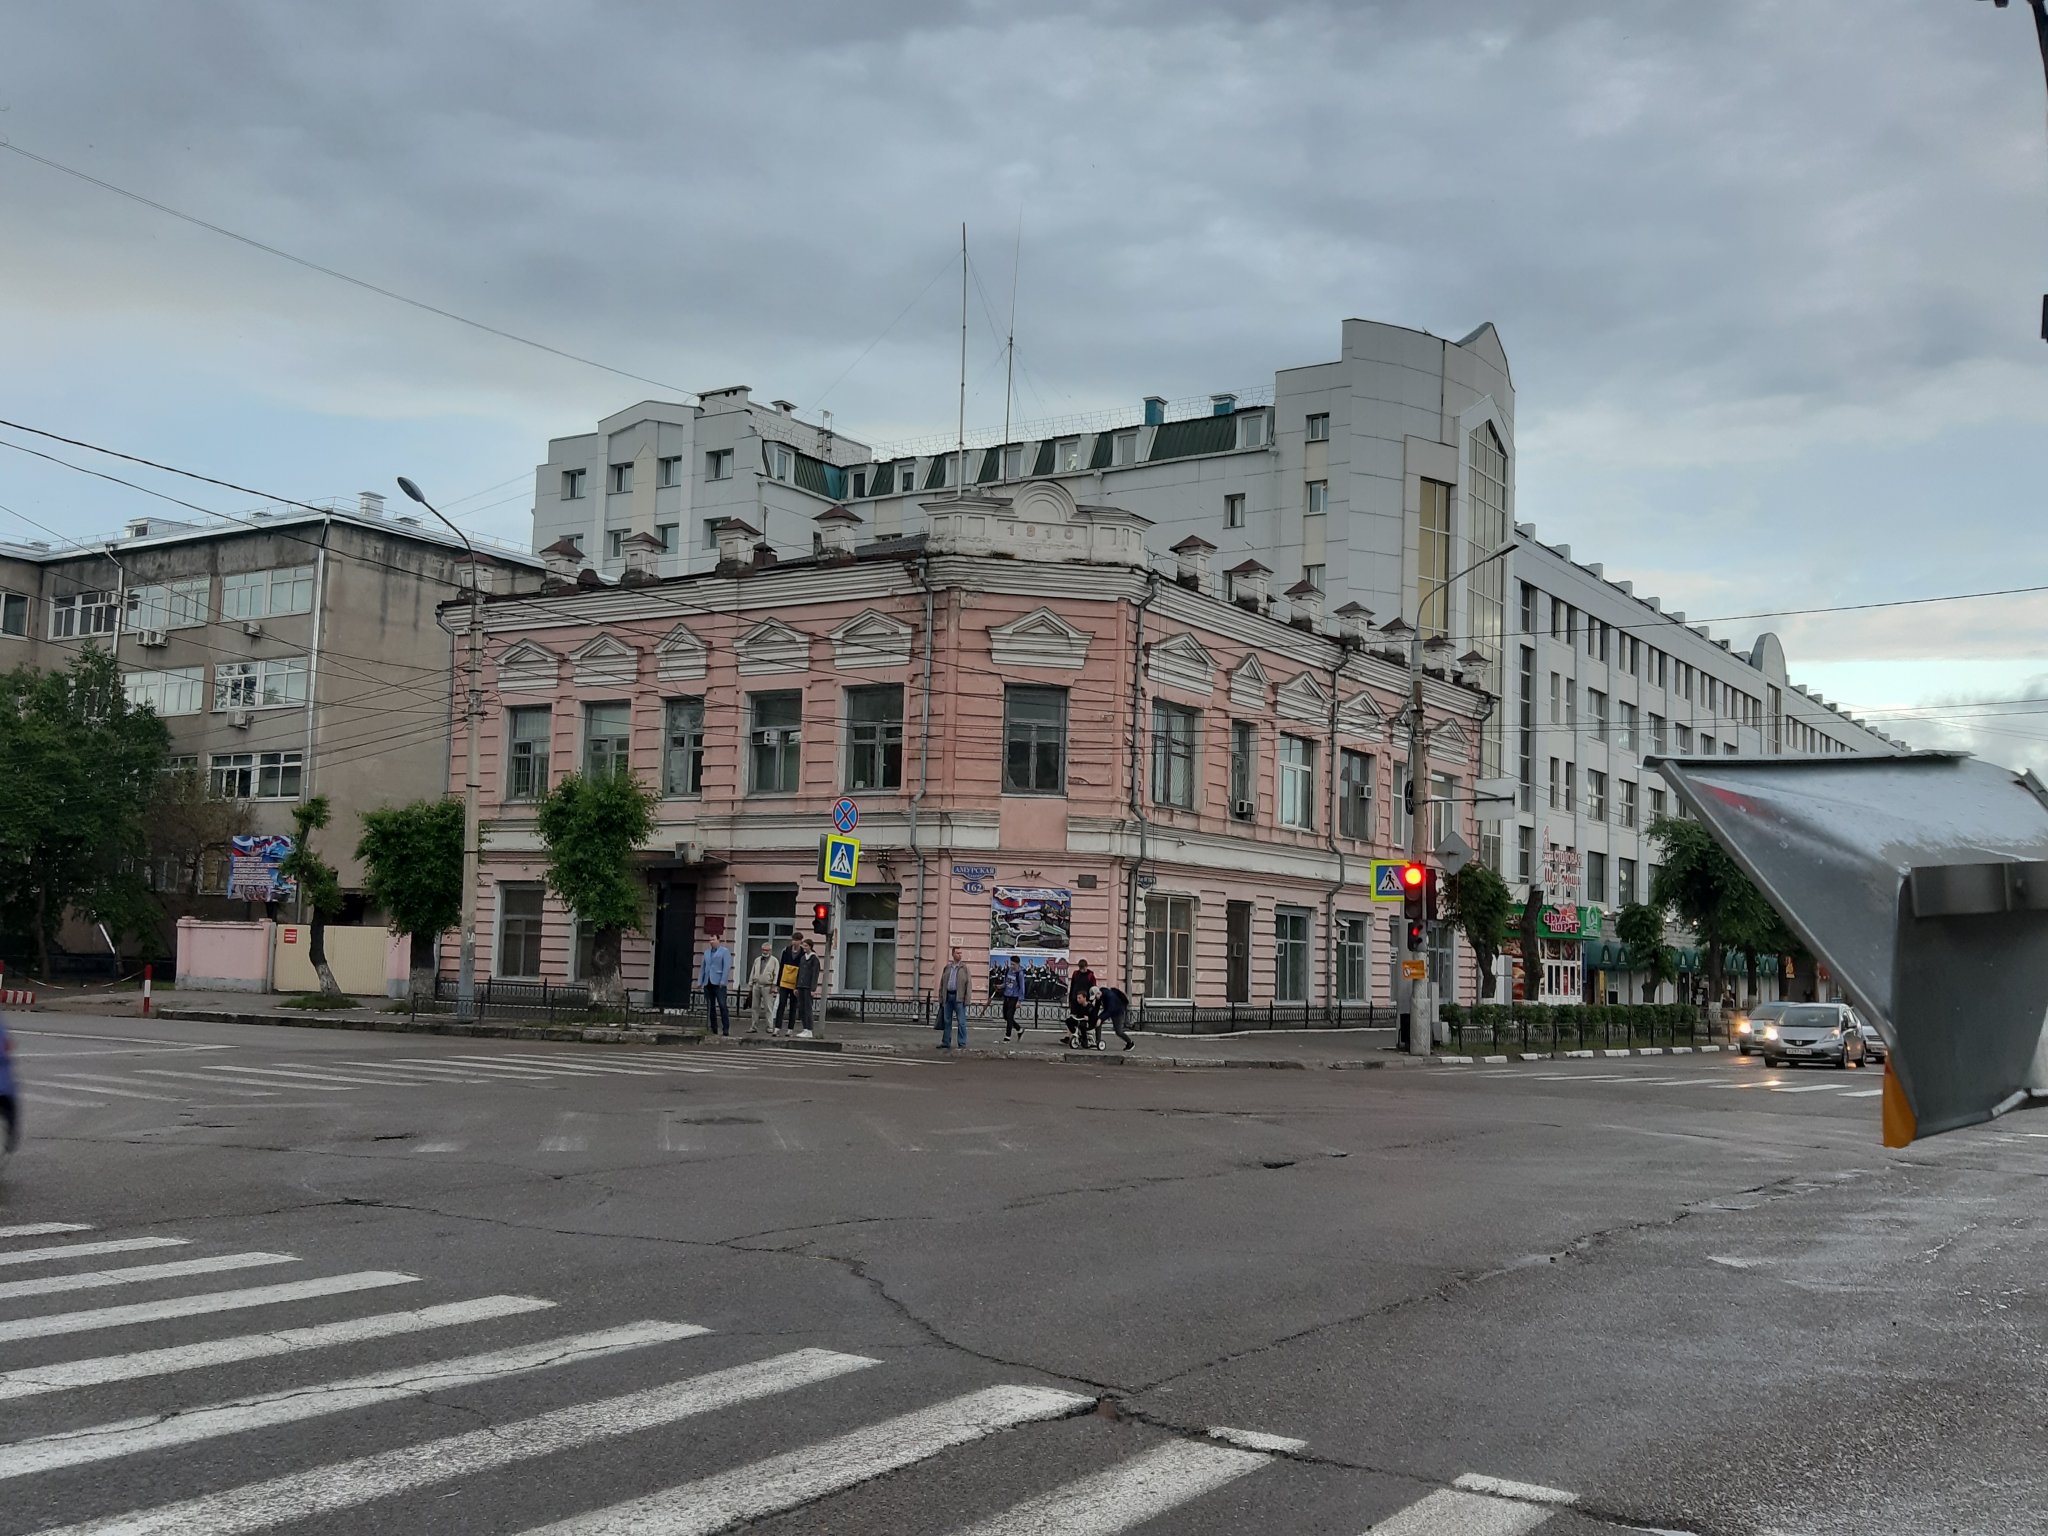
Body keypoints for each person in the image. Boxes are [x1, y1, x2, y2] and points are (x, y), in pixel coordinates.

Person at [697, 934, 733, 1036]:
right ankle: (714, 1028)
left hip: (719, 983)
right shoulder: (707, 953)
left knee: (722, 1005)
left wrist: (723, 981)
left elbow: (726, 967)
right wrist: (700, 981)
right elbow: (703, 968)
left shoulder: (724, 952)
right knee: (710, 1006)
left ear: (718, 940)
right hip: (708, 982)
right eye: (710, 940)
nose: (711, 942)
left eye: (713, 939)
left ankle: (725, 1028)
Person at [938, 946, 972, 1050]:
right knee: (947, 1020)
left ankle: (962, 1043)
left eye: (961, 953)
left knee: (961, 1022)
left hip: (959, 998)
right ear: (953, 954)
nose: (959, 955)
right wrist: (941, 997)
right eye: (957, 953)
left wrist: (967, 999)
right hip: (948, 996)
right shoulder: (947, 968)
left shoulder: (965, 968)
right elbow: (942, 983)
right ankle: (946, 1042)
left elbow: (968, 984)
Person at [773, 935, 805, 1034]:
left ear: (800, 941)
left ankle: (790, 1028)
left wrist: (799, 985)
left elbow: (803, 969)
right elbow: (781, 966)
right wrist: (778, 984)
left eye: (797, 940)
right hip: (784, 981)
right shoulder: (786, 951)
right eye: (793, 940)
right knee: (781, 1004)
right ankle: (777, 1027)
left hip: (795, 983)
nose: (794, 942)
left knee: (793, 1006)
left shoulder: (803, 953)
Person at [794, 936, 823, 1038]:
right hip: (801, 985)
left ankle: (809, 1029)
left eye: (806, 946)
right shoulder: (802, 958)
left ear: (810, 946)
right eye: (803, 945)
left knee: (808, 1008)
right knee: (801, 1008)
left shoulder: (814, 958)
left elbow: (815, 974)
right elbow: (799, 972)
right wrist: (796, 986)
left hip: (808, 987)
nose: (804, 947)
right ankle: (805, 1028)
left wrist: (813, 989)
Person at [745, 941, 777, 1033]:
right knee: (755, 1007)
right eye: (763, 950)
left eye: (767, 950)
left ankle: (770, 1026)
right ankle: (754, 1026)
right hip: (756, 985)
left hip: (768, 986)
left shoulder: (774, 960)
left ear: (770, 950)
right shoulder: (757, 959)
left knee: (768, 1007)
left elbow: (776, 973)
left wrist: (774, 985)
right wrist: (750, 985)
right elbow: (753, 972)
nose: (765, 952)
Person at [1066, 957, 1098, 1049]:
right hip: (1075, 1000)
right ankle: (1070, 1035)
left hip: (1085, 1001)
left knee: (1082, 1020)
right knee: (1072, 1018)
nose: (1082, 970)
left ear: (1086, 967)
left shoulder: (1090, 975)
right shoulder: (1076, 974)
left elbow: (1093, 989)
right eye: (1081, 968)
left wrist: (1090, 1001)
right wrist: (1071, 999)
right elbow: (1072, 987)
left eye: (1083, 968)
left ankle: (1082, 1037)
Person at [1097, 981, 1135, 1051]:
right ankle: (1098, 1042)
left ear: (1098, 993)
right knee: (1098, 1021)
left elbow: (1110, 1010)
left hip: (1118, 1012)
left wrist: (1101, 1018)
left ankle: (1130, 1043)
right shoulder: (1101, 995)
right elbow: (1098, 1007)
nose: (1096, 999)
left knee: (1118, 1031)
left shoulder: (1110, 996)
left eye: (1096, 997)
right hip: (1110, 1010)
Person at [1000, 953, 1026, 1041]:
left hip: (1014, 997)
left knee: (1010, 1015)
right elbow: (1006, 983)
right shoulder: (1008, 971)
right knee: (1005, 1016)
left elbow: (1022, 988)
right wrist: (1000, 986)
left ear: (1018, 964)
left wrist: (1020, 1001)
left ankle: (1008, 1036)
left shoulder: (1020, 974)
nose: (1012, 966)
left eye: (1013, 964)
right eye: (1011, 964)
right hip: (1007, 995)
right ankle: (1019, 1029)